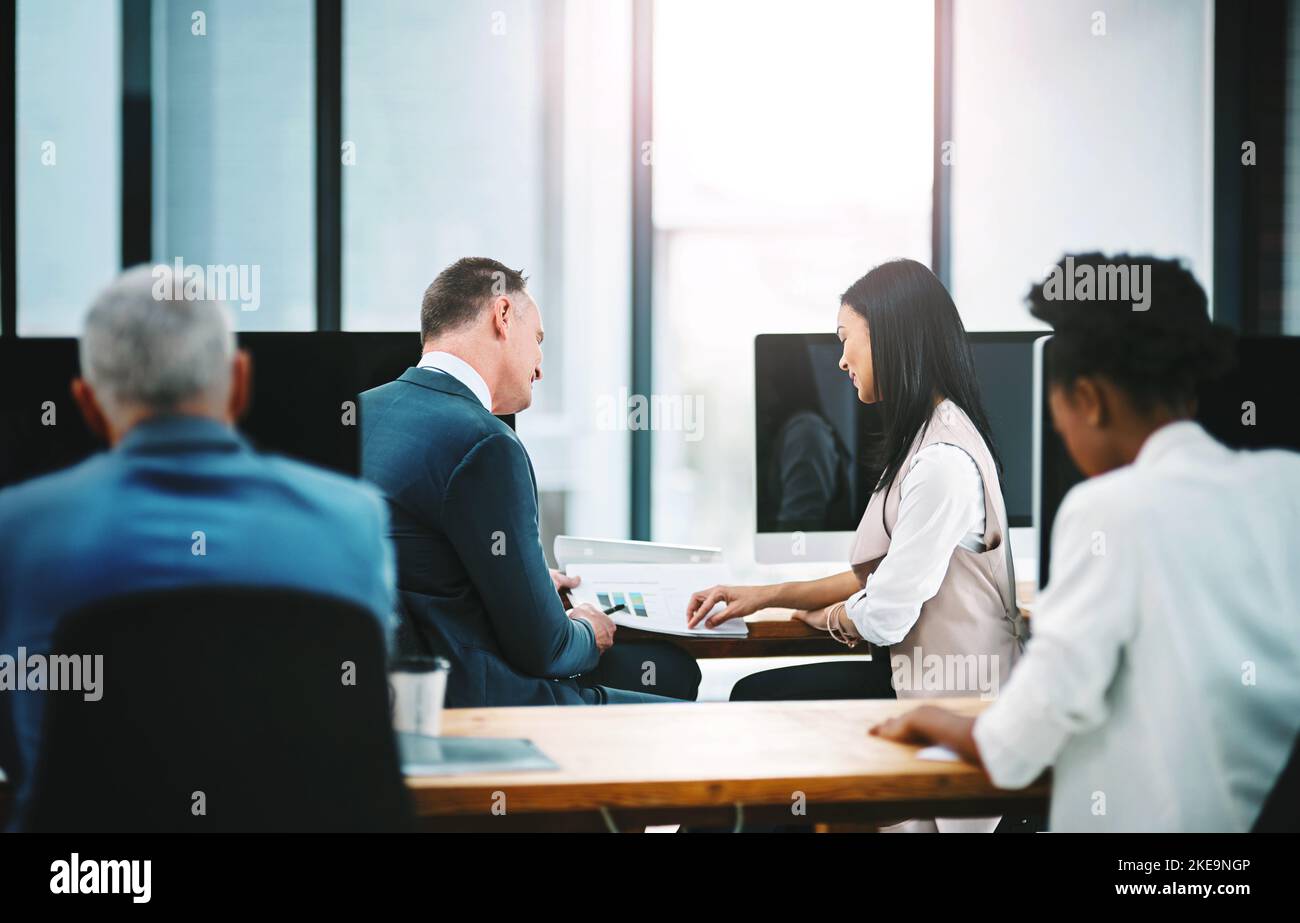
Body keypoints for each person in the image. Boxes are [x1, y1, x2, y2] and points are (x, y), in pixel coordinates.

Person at [871, 253, 1300, 832]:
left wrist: (936, 719)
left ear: (1089, 401)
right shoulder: (1285, 485)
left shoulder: (1108, 511)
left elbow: (1034, 725)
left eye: (1058, 410)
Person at [0, 266, 396, 829]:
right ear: (239, 382)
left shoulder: (17, 530)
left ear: (87, 404)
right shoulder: (354, 521)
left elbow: (19, 750)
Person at [361, 257, 700, 706]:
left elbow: (424, 563)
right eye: (538, 340)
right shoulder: (485, 443)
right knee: (687, 719)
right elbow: (548, 649)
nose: (539, 367)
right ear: (503, 316)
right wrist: (587, 628)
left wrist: (530, 581)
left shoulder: (360, 413)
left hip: (397, 685)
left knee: (669, 670)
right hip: (479, 699)